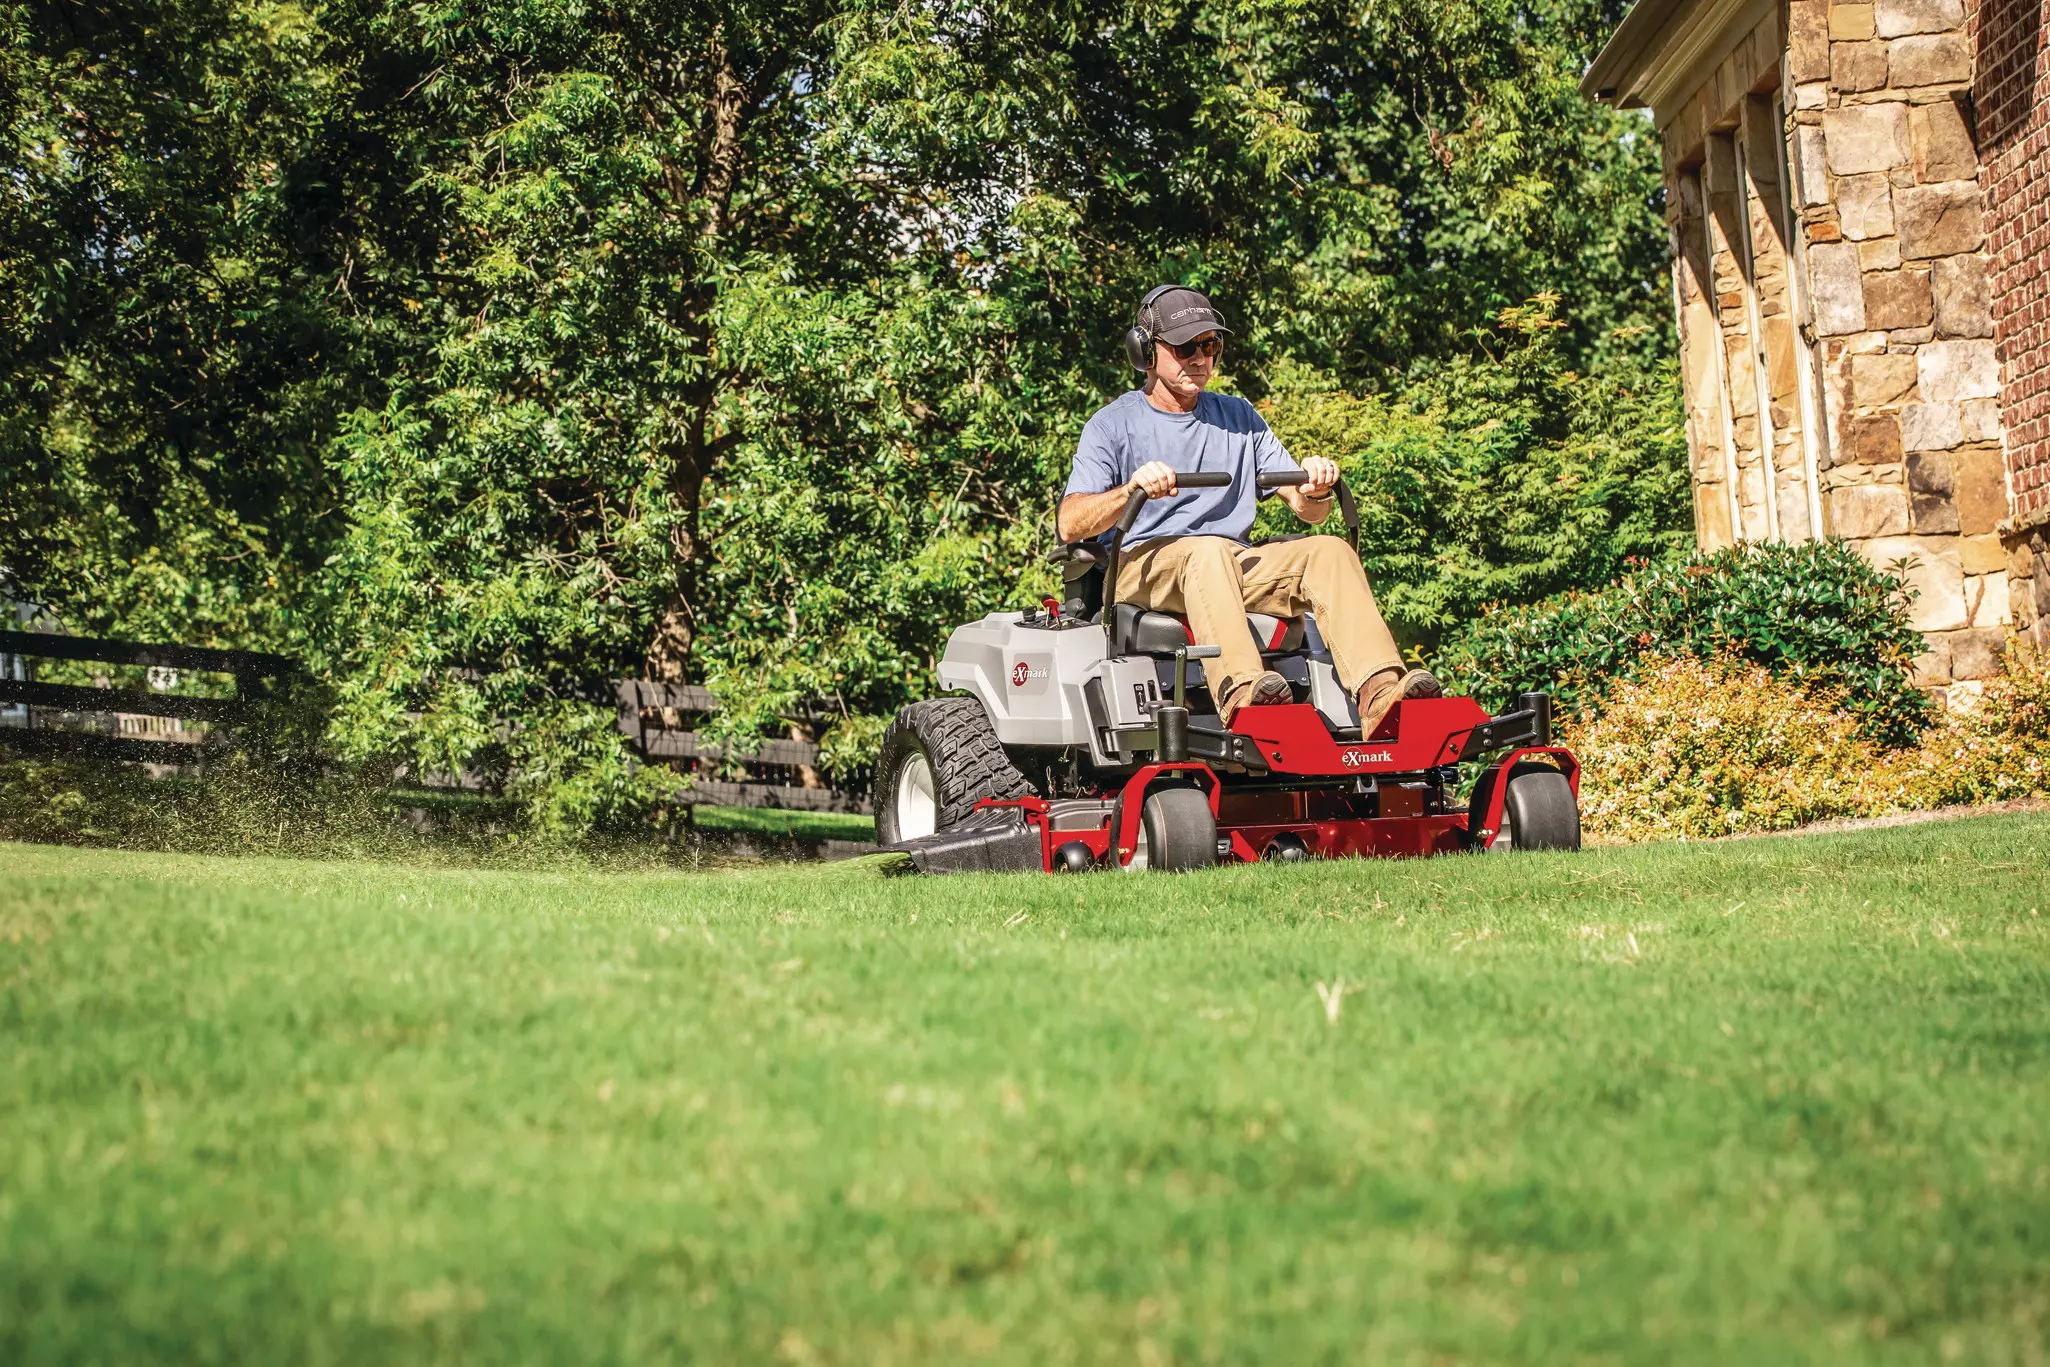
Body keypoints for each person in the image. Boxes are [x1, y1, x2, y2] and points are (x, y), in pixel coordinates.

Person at [1057, 285, 1440, 731]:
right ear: (1144, 351)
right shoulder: (1111, 425)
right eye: (1186, 347)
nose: (1201, 358)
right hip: (1144, 564)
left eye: (1211, 344)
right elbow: (1070, 523)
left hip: (1227, 564)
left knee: (1330, 549)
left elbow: (1305, 508)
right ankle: (1244, 697)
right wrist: (1130, 490)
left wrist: (1314, 486)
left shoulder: (1239, 416)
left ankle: (1381, 696)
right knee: (1207, 551)